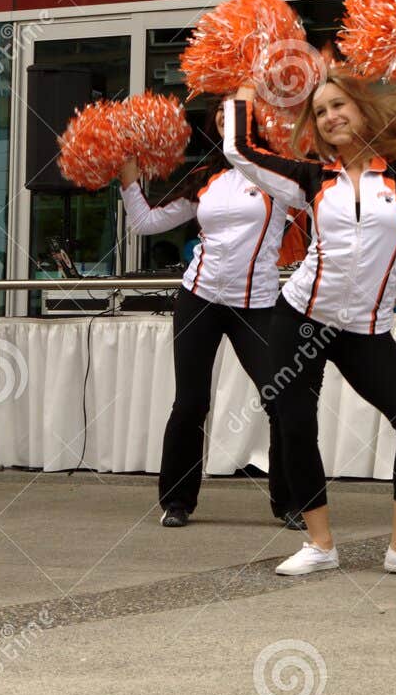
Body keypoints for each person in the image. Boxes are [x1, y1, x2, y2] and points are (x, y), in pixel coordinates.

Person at [226, 43, 396, 579]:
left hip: (366, 330)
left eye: (338, 105)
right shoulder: (311, 179)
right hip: (301, 318)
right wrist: (244, 81)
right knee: (295, 423)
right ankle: (320, 543)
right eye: (320, 111)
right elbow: (239, 150)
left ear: (360, 106)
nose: (330, 117)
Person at [118, 101, 302, 530]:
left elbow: (324, 211)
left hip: (255, 303)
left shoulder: (280, 176)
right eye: (220, 116)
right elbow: (145, 222)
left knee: (280, 397)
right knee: (190, 402)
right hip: (198, 298)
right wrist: (127, 174)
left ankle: (292, 502)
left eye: (235, 113)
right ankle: (177, 501)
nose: (226, 119)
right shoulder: (205, 177)